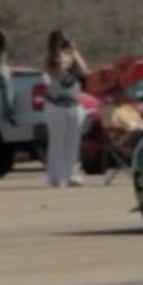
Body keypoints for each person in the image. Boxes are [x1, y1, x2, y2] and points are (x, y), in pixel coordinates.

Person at [42, 30, 90, 188]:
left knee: (72, 141)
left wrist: (74, 52)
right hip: (56, 105)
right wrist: (59, 52)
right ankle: (56, 176)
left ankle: (71, 174)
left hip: (73, 104)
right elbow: (56, 73)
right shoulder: (51, 59)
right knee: (57, 141)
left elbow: (85, 72)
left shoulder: (73, 58)